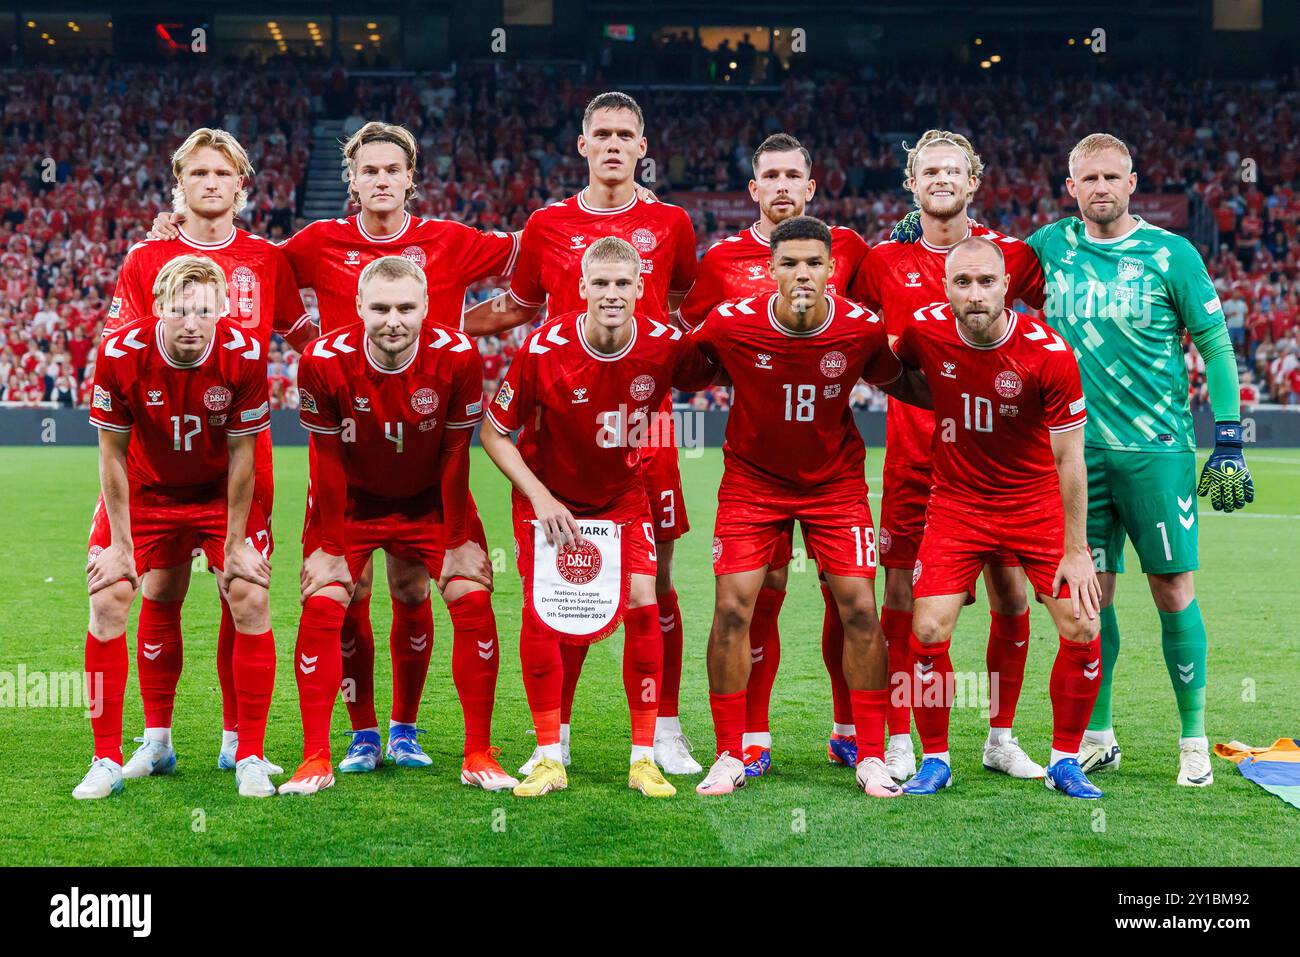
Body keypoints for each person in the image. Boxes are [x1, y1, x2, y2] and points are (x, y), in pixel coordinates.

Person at [152, 121, 519, 774]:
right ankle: (361, 731)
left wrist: (469, 324)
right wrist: (169, 237)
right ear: (351, 180)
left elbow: (534, 266)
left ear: (412, 177)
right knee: (345, 592)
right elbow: (243, 262)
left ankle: (404, 727)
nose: (380, 180)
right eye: (368, 171)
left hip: (422, 447)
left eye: (391, 169)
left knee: (410, 588)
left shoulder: (453, 241)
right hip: (343, 444)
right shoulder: (315, 243)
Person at [465, 92, 703, 776]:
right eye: (602, 133)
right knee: (560, 584)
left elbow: (678, 310)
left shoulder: (671, 222)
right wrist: (446, 327)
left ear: (642, 145)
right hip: (562, 422)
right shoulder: (547, 223)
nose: (613, 144)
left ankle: (664, 729)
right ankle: (556, 733)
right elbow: (517, 305)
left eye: (625, 133)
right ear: (581, 144)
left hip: (642, 425)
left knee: (656, 585)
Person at [1026, 134, 1252, 787]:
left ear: (1132, 183)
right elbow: (977, 266)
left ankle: (1193, 739)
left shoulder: (1170, 253)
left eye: (1112, 176)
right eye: (1088, 177)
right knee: (1089, 597)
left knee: (1173, 588)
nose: (1100, 187)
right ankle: (1097, 735)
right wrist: (927, 235)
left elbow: (1213, 341)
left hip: (1156, 452)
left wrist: (1230, 436)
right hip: (1073, 455)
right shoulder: (1049, 247)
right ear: (1071, 186)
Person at [682, 216, 929, 798]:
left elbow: (907, 383)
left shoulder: (860, 329)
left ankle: (869, 753)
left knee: (861, 611)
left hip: (835, 485)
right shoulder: (730, 324)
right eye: (789, 263)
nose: (801, 274)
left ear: (831, 271)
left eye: (813, 263)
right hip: (752, 482)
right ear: (769, 271)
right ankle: (728, 752)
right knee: (733, 611)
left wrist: (974, 381)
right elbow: (683, 369)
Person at [109, 128, 312, 777]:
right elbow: (121, 351)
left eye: (222, 174)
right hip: (159, 455)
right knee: (159, 588)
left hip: (240, 455)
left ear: (242, 184)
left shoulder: (267, 258)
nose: (210, 184)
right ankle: (156, 738)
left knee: (241, 587)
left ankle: (236, 739)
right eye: (197, 173)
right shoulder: (146, 259)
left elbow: (308, 336)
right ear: (179, 183)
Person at [853, 129, 1049, 783]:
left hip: (998, 466)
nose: (941, 179)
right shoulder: (882, 263)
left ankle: (999, 735)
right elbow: (858, 344)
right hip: (915, 461)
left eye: (953, 170)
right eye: (928, 170)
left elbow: (1048, 333)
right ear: (912, 182)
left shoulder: (1014, 257)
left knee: (1012, 596)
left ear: (974, 181)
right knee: (905, 601)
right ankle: (905, 736)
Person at [678, 132, 870, 776]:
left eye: (795, 175)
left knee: (849, 600)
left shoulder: (848, 251)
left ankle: (852, 733)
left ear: (811, 187)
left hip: (831, 463)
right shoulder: (720, 262)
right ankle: (749, 741)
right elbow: (696, 357)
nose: (784, 186)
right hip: (756, 462)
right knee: (759, 597)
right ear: (753, 189)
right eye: (771, 176)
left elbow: (874, 329)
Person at [283, 255, 506, 795]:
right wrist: (330, 545)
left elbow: (456, 451)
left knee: (469, 595)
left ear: (427, 307)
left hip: (429, 501)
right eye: (380, 308)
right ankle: (329, 751)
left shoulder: (457, 356)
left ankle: (467, 749)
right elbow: (327, 459)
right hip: (351, 503)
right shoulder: (320, 360)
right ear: (358, 308)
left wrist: (456, 540)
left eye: (406, 307)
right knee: (327, 599)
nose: (393, 320)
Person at [892, 236, 1103, 799]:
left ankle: (1064, 760)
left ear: (1007, 285)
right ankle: (935, 759)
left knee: (1083, 625)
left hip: (1035, 505)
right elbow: (896, 368)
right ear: (946, 288)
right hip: (957, 504)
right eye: (963, 283)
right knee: (928, 629)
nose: (976, 293)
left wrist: (1077, 549)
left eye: (987, 281)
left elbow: (1070, 457)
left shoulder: (1048, 352)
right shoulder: (925, 329)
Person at [74, 256, 278, 800]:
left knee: (249, 594)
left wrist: (234, 546)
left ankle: (248, 753)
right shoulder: (119, 353)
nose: (191, 322)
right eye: (179, 310)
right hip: (145, 493)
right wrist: (119, 545)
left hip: (217, 494)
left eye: (204, 311)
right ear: (159, 307)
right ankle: (113, 756)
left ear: (223, 309)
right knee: (112, 596)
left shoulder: (245, 355)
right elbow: (111, 453)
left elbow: (244, 455)